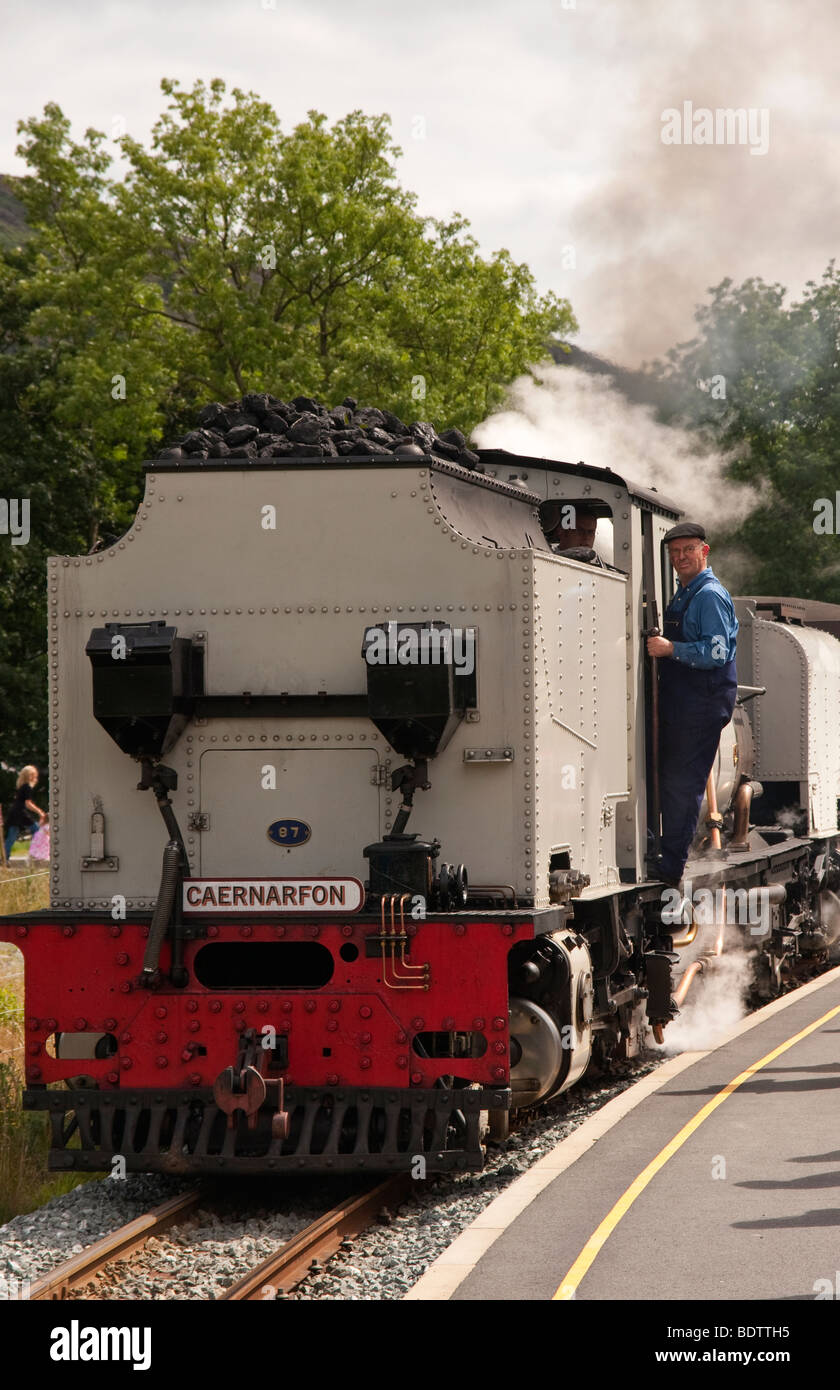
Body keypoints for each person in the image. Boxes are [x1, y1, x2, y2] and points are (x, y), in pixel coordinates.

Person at [645, 522, 738, 887]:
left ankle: (670, 869)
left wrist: (670, 649)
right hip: (684, 700)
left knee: (683, 783)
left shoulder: (708, 595)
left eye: (687, 550)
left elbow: (717, 652)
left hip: (702, 702)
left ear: (705, 551)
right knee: (669, 778)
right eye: (674, 552)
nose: (680, 558)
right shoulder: (684, 593)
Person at [3, 765, 45, 860]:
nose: (36, 778)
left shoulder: (22, 786)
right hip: (20, 813)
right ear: (30, 776)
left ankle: (4, 858)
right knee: (37, 830)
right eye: (34, 775)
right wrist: (39, 812)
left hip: (15, 813)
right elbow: (28, 803)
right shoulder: (27, 787)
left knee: (12, 836)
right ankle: (35, 853)